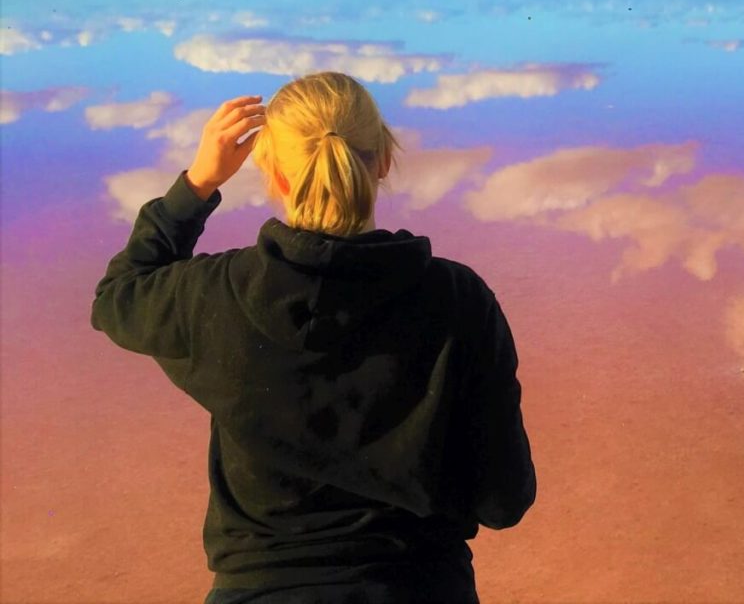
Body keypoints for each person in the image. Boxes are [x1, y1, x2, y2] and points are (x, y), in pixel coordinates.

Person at [91, 72, 535, 604]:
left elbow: (118, 296)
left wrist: (197, 185)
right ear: (384, 162)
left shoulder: (215, 295)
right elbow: (503, 500)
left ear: (274, 175)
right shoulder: (458, 300)